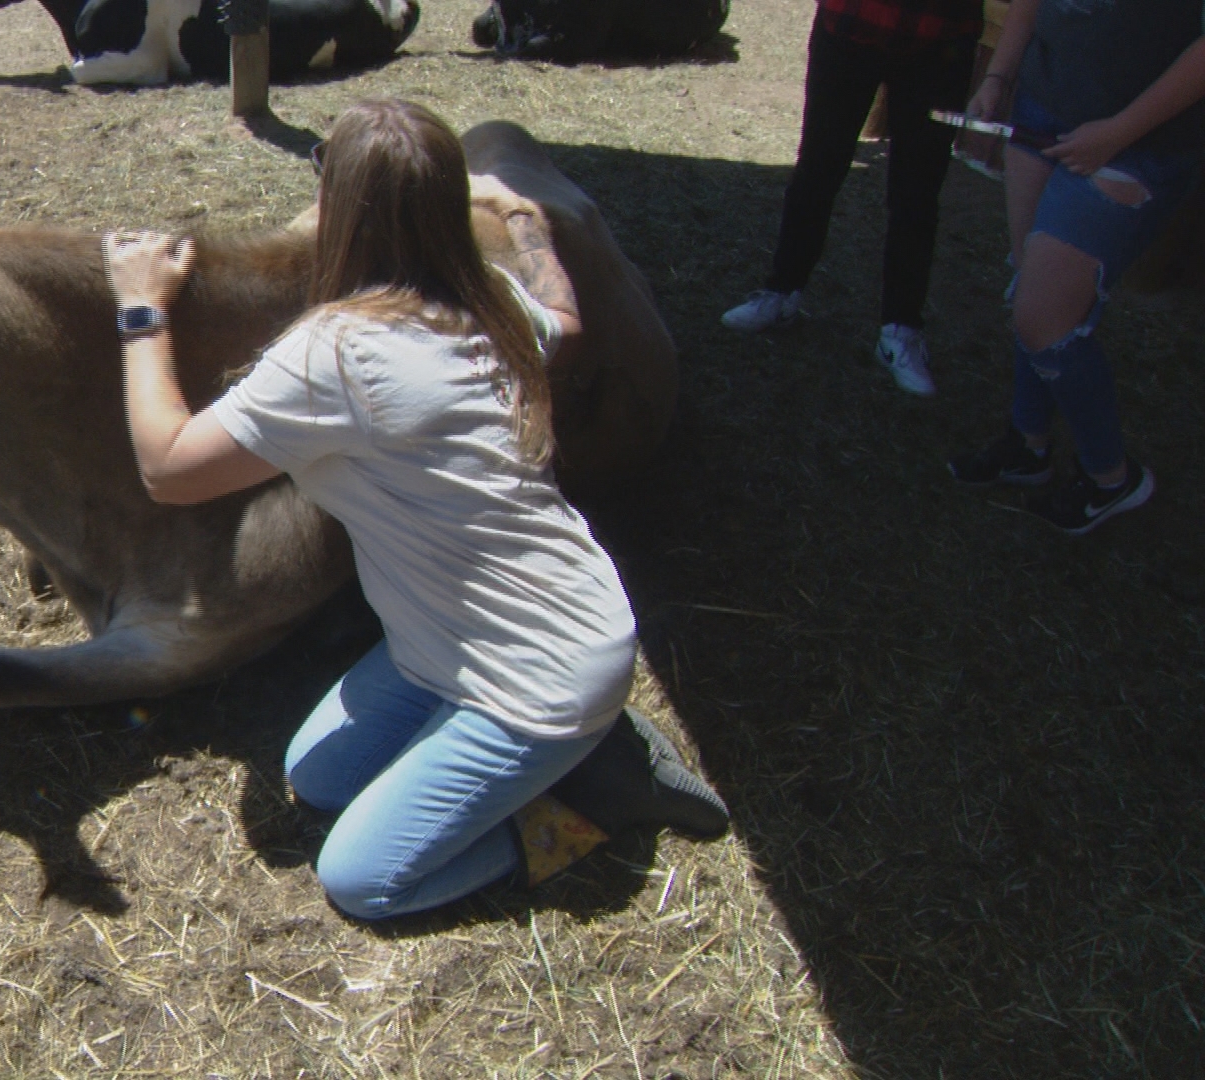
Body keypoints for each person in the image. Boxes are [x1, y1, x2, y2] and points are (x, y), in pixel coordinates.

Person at [101, 99, 728, 920]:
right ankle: (580, 744)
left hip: (540, 679)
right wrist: (529, 227)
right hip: (465, 639)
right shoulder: (491, 301)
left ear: (340, 212)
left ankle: (600, 799)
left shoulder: (337, 353)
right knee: (314, 780)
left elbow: (169, 468)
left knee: (362, 880)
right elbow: (569, 325)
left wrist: (139, 308)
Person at [946, 0, 1205, 535]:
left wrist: (1119, 131)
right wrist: (998, 75)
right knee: (1031, 286)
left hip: (1138, 142)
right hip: (1044, 106)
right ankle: (1028, 444)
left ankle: (1112, 477)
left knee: (1045, 317)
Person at [719, 0, 983, 396]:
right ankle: (781, 292)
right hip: (849, 25)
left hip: (940, 40)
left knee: (917, 192)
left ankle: (901, 329)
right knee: (817, 168)